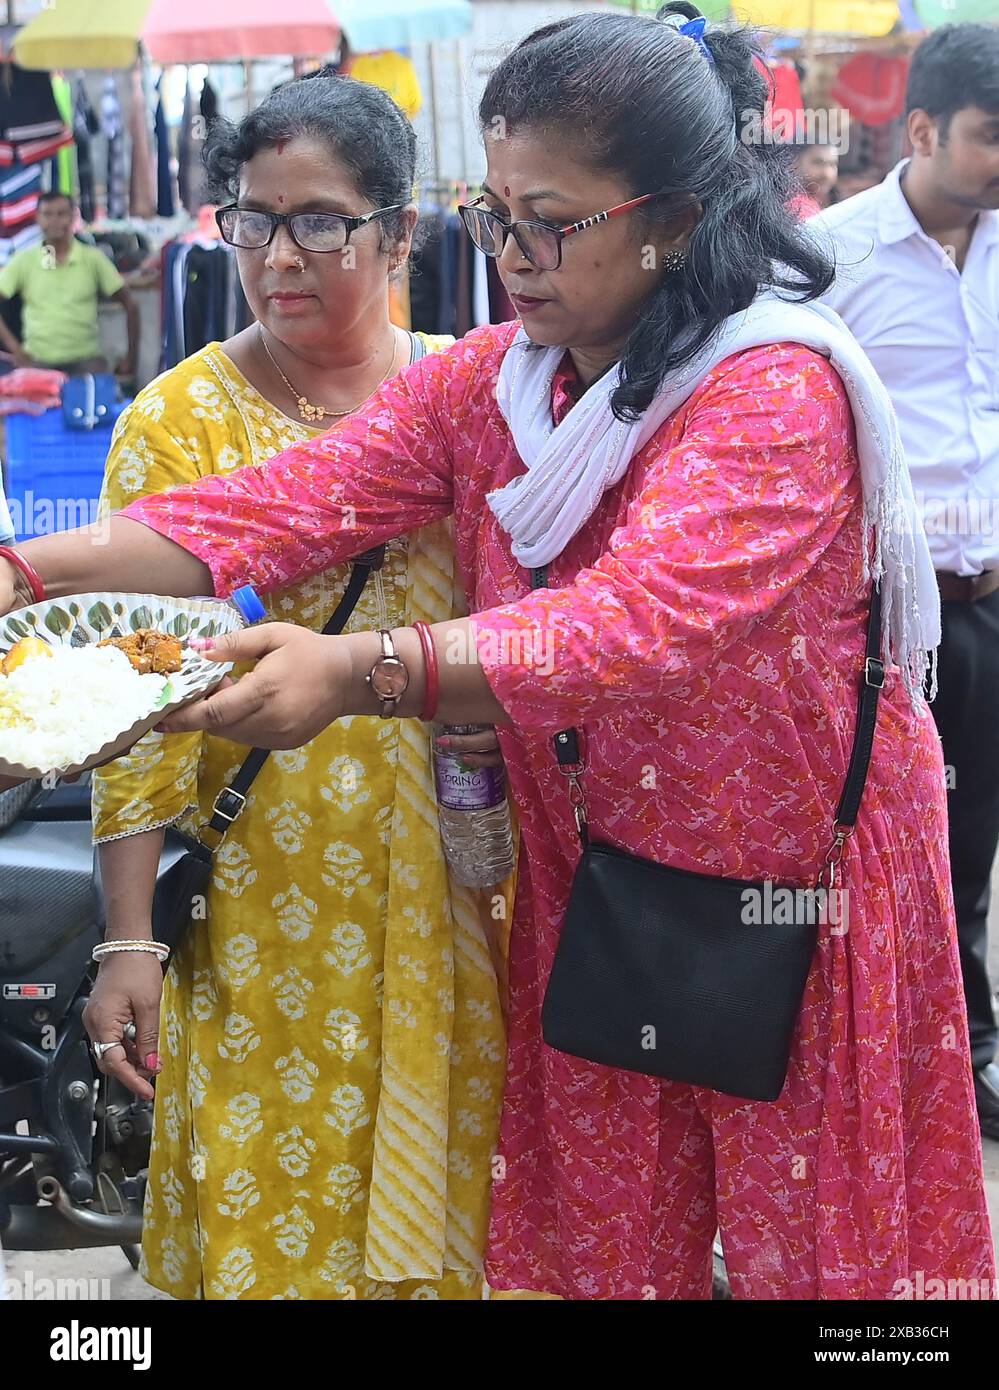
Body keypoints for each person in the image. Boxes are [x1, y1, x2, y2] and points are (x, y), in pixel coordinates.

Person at [2, 4, 993, 1300]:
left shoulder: (771, 392)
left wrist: (357, 673)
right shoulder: (500, 381)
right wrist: (33, 568)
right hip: (600, 897)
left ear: (671, 217)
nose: (511, 257)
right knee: (604, 1255)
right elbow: (275, 501)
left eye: (548, 221)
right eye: (496, 217)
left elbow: (633, 620)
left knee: (821, 1269)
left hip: (791, 908)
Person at [82, 70, 510, 1301]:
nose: (280, 253)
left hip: (465, 882)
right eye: (253, 220)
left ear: (400, 232)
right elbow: (135, 705)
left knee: (455, 1215)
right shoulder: (178, 425)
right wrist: (127, 938)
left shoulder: (474, 393)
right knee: (282, 1219)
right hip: (263, 898)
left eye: (320, 220)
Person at [813, 22, 999, 1144]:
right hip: (894, 618)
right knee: (889, 849)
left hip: (993, 604)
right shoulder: (837, 256)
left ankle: (966, 1053)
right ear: (922, 128)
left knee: (972, 846)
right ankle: (882, 1067)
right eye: (990, 137)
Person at [0, 191, 138, 379]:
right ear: (38, 219)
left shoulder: (92, 259)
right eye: (48, 214)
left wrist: (130, 358)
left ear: (73, 217)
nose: (55, 221)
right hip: (38, 363)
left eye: (61, 214)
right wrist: (16, 350)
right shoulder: (25, 260)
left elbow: (130, 305)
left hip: (86, 363)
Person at [789, 139, 839, 216]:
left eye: (832, 164)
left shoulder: (838, 199)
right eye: (818, 163)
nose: (827, 174)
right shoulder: (792, 206)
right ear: (795, 162)